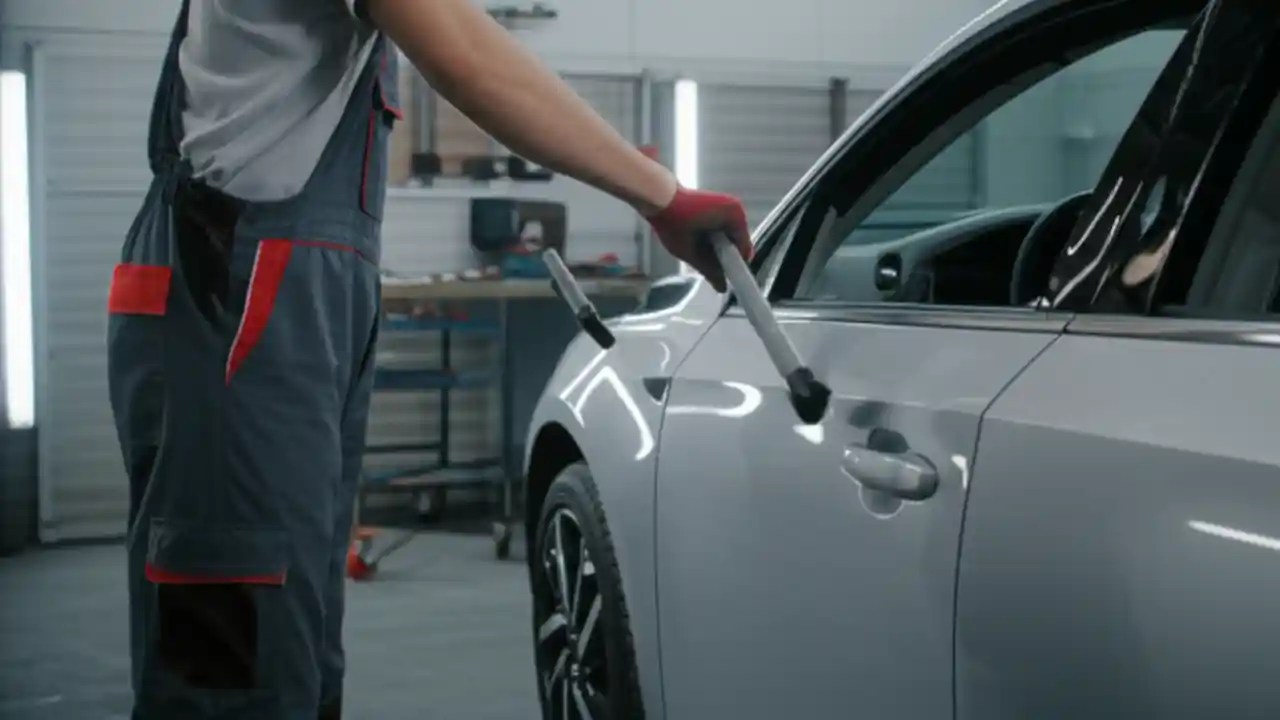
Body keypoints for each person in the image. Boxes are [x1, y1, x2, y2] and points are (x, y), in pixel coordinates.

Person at [105, 0, 753, 717]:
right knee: (234, 647)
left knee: (292, 633)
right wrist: (664, 196)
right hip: (234, 302)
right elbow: (469, 58)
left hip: (271, 302)